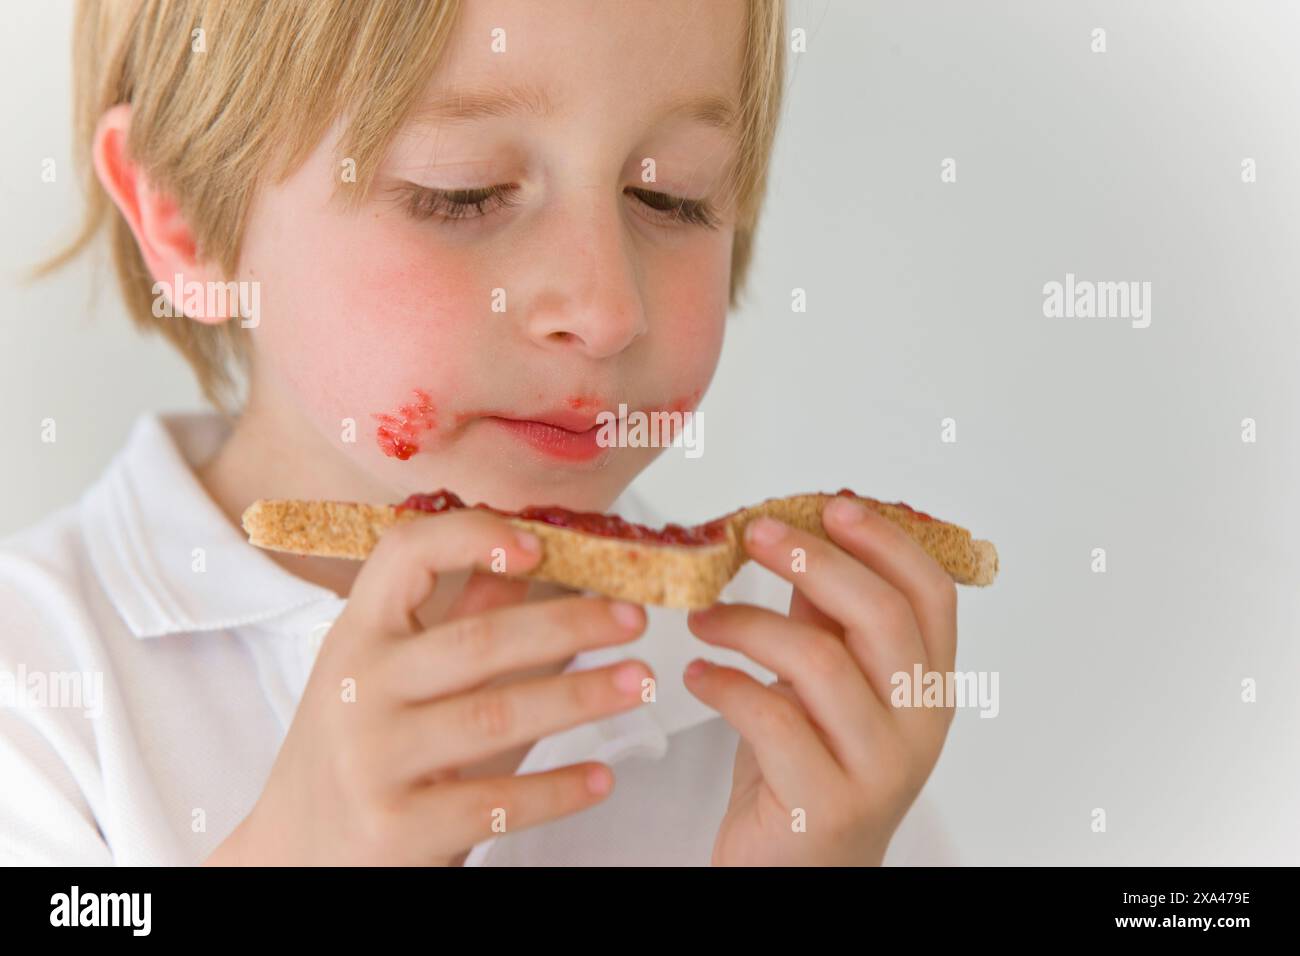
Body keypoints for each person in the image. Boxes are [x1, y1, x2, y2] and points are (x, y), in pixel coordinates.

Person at [1, 0, 958, 866]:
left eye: (672, 195)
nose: (605, 308)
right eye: (461, 192)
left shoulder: (783, 704)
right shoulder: (35, 695)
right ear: (178, 216)